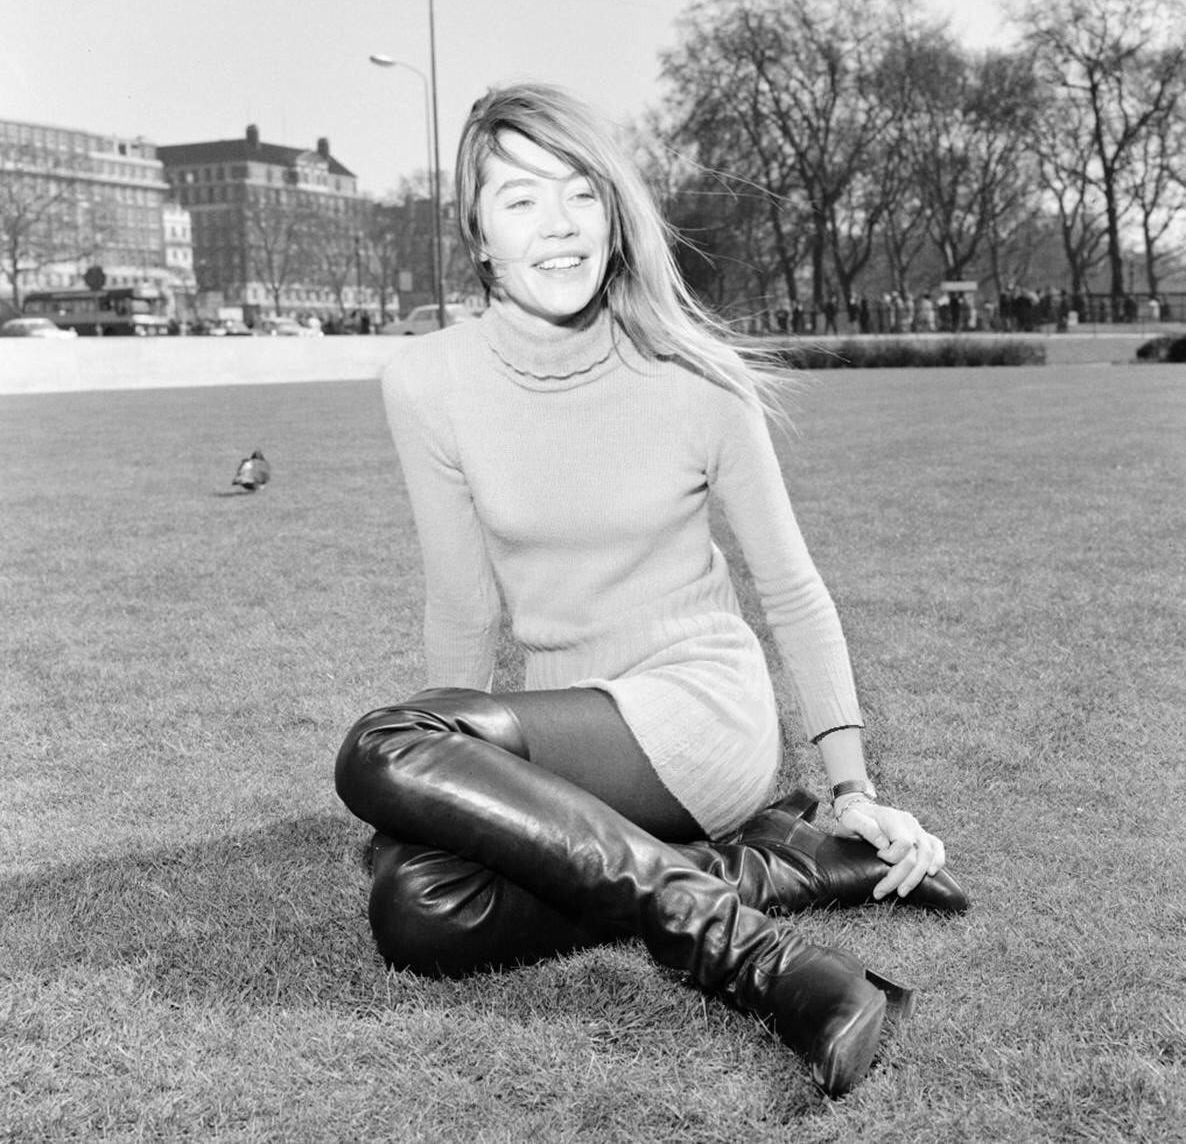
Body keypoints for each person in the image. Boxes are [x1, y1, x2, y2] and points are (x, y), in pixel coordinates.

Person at [334, 83, 969, 1099]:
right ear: (477, 233)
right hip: (576, 728)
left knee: (382, 744)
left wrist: (850, 787)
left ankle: (771, 967)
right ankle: (779, 870)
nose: (558, 226)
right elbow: (461, 603)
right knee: (416, 908)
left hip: (698, 705)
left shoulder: (692, 374)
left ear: (614, 211)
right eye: (521, 198)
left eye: (580, 193)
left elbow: (791, 589)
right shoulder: (426, 381)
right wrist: (445, 804)